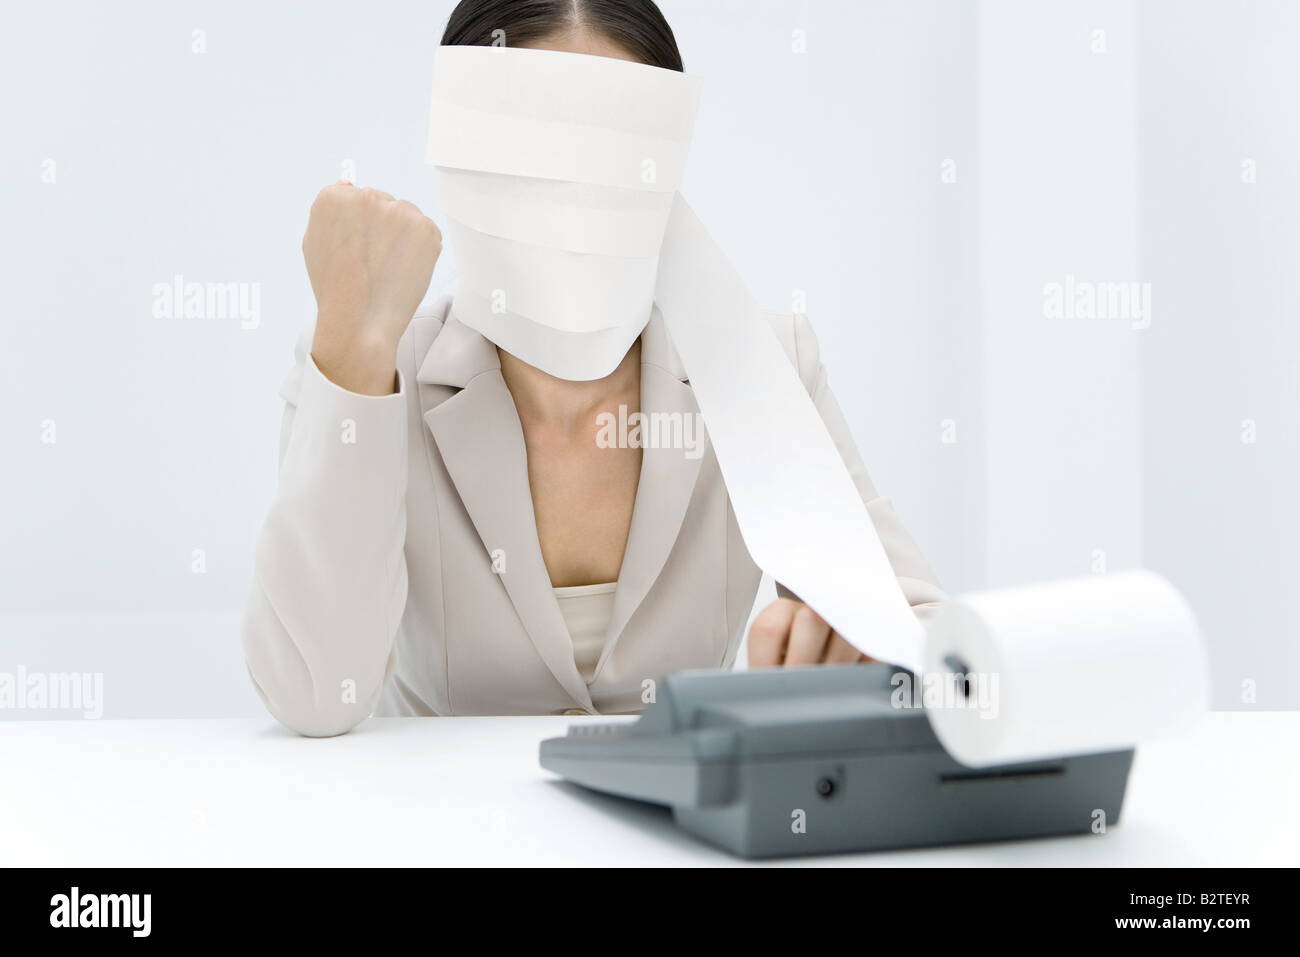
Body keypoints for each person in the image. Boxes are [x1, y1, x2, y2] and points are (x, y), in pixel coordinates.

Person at [242, 0, 945, 736]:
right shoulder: (375, 366)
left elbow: (932, 649)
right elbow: (315, 695)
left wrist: (865, 656)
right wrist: (355, 352)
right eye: (532, 160)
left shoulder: (759, 366)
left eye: (611, 160)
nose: (572, 211)